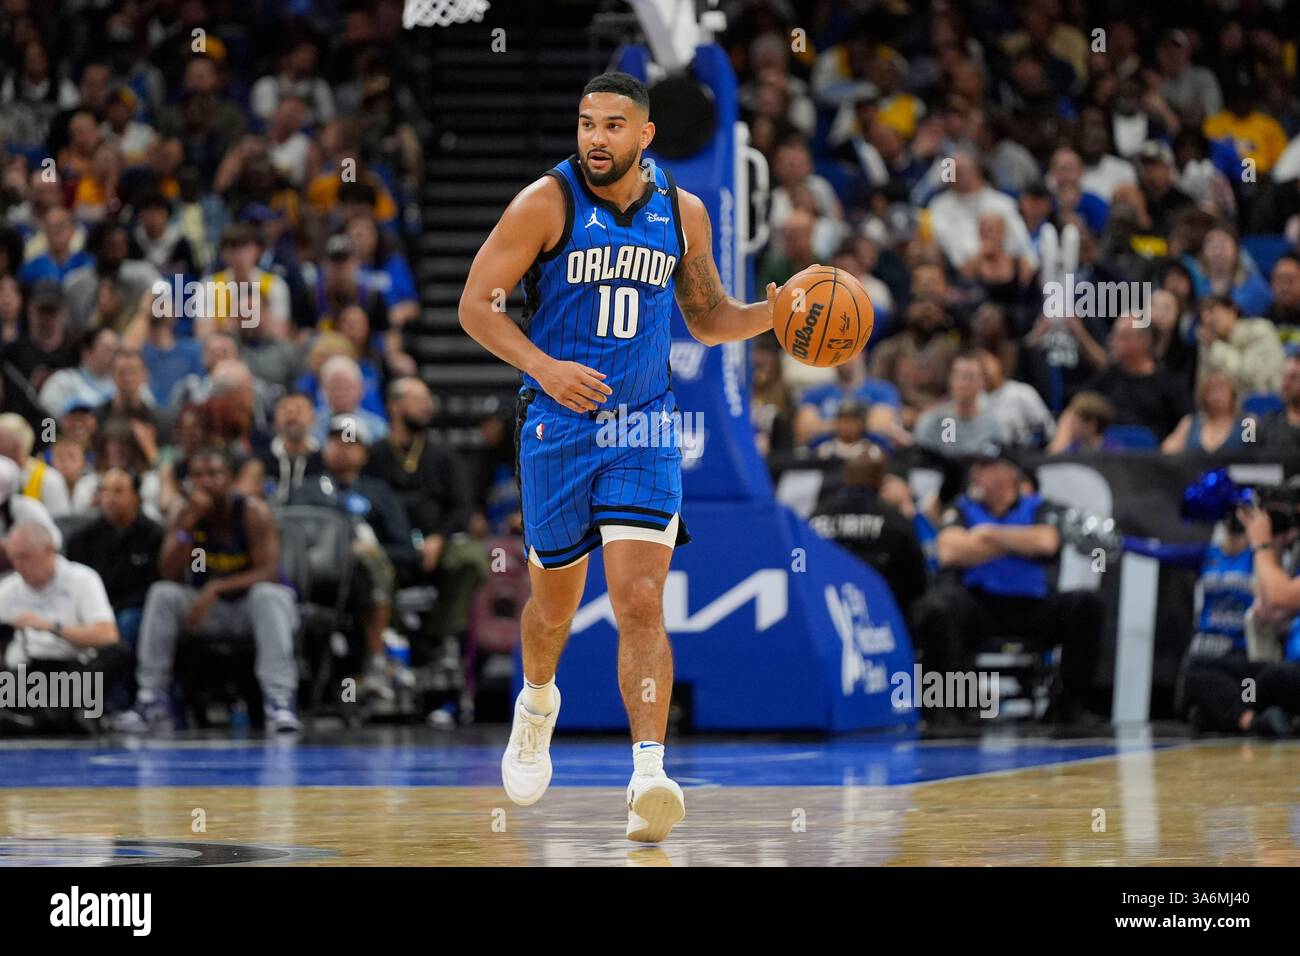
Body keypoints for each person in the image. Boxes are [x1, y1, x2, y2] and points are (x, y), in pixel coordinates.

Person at [459, 72, 789, 843]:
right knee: (554, 608)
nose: (595, 138)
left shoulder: (683, 210)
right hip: (558, 426)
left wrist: (777, 311)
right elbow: (477, 304)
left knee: (640, 598)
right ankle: (536, 705)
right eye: (585, 124)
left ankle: (648, 772)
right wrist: (543, 366)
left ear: (645, 134)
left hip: (643, 426)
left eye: (612, 125)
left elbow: (707, 319)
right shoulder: (546, 201)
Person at [910, 446, 1103, 724]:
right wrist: (1017, 544)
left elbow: (1046, 542)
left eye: (986, 466)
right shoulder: (963, 507)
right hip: (980, 605)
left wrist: (986, 535)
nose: (977, 473)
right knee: (941, 605)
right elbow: (949, 551)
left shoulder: (1038, 506)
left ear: (1009, 473)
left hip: (1031, 607)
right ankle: (950, 708)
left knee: (1087, 604)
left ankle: (1067, 706)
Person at [114, 449, 302, 734]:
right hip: (208, 612)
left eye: (214, 474)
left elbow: (270, 572)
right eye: (198, 476)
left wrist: (216, 587)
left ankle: (279, 701)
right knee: (162, 594)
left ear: (229, 479)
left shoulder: (252, 512)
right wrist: (187, 525)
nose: (206, 482)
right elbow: (168, 572)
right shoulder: (184, 513)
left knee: (269, 595)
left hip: (254, 610)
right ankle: (152, 699)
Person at [288, 414, 413, 702]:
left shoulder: (379, 494)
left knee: (367, 557)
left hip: (371, 582)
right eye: (335, 441)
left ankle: (376, 661)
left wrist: (371, 551)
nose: (342, 447)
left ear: (365, 453)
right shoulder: (307, 491)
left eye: (351, 442)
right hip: (316, 578)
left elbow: (407, 550)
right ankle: (377, 660)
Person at [0, 521, 121, 730]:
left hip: (73, 670)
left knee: (117, 653)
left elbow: (108, 636)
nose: (18, 565)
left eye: (25, 556)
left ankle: (43, 719)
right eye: (14, 558)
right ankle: (47, 717)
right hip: (27, 674)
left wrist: (52, 627)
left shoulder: (83, 579)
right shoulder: (8, 588)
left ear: (49, 551)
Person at [809, 445, 927, 618]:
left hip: (826, 612)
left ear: (846, 476)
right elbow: (918, 582)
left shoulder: (815, 517)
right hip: (886, 616)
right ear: (882, 479)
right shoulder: (895, 522)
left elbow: (800, 563)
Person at [64, 467, 163, 649]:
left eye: (118, 491)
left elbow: (154, 586)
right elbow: (73, 581)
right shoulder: (81, 538)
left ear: (136, 496)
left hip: (134, 609)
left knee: (128, 621)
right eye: (104, 491)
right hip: (93, 607)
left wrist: (114, 609)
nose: (110, 498)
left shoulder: (155, 535)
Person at [1086, 315, 1189, 441]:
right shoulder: (1107, 378)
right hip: (1108, 454)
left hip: (1152, 457)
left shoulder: (1169, 384)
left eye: (1120, 336)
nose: (1111, 341)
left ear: (1142, 341)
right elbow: (1080, 405)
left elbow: (1188, 421)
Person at [913, 351, 1005, 458]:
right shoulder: (931, 422)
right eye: (958, 376)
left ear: (982, 382)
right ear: (950, 380)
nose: (963, 384)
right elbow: (919, 461)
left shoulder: (992, 425)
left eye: (970, 378)